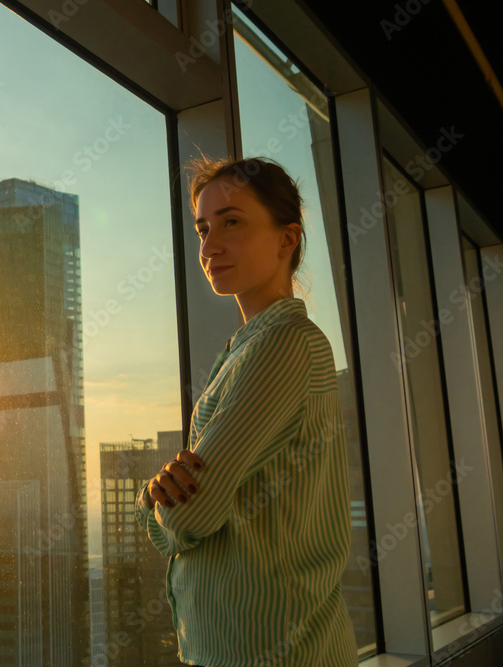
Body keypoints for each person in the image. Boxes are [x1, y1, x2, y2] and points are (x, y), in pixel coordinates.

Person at [134, 155, 358, 666]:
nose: (209, 246)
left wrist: (152, 500)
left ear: (287, 239)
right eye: (203, 228)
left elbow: (193, 511)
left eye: (231, 222)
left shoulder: (283, 345)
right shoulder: (247, 349)